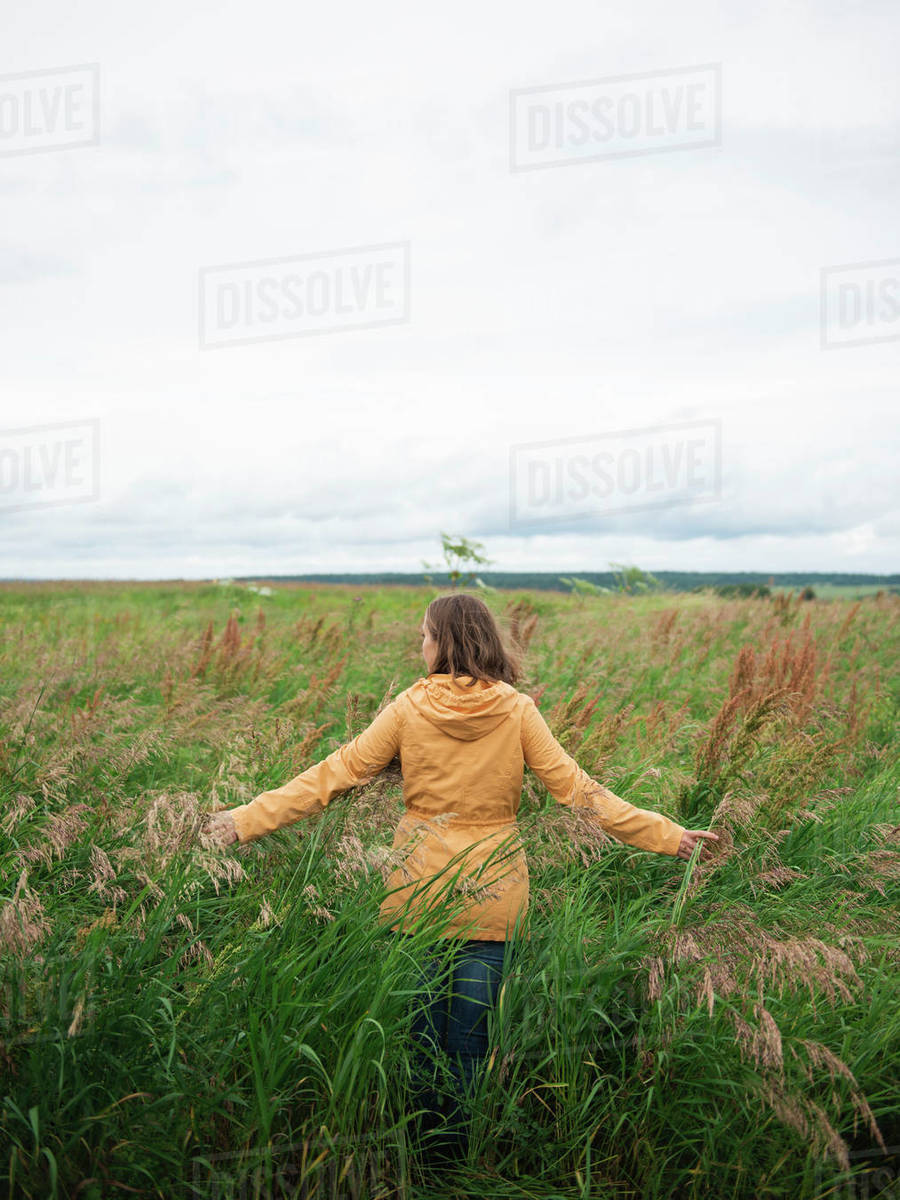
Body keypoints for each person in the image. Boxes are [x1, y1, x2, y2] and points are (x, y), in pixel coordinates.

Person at [202, 593, 719, 1170]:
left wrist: (241, 821)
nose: (419, 645)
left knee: (419, 1044)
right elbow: (580, 793)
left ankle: (418, 1167)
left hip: (417, 896)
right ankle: (457, 1167)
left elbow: (335, 773)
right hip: (494, 899)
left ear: (443, 642)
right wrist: (670, 836)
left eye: (424, 635)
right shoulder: (518, 709)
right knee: (471, 1046)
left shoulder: (407, 708)